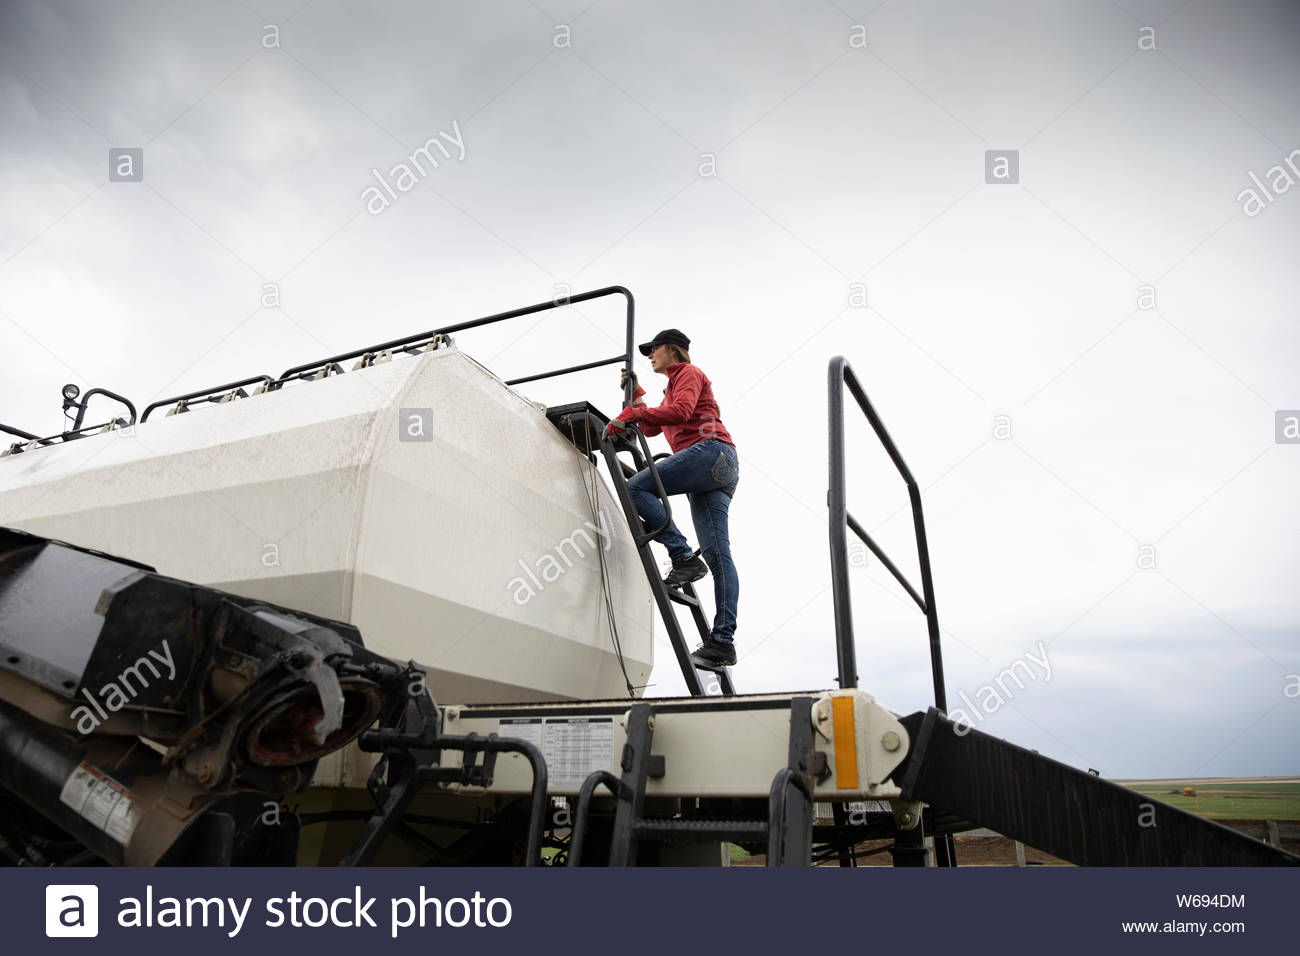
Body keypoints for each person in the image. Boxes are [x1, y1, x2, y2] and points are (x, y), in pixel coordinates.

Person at [601, 329, 740, 668]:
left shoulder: (688, 374)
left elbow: (679, 412)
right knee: (719, 555)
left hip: (711, 453)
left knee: (635, 488)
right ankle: (722, 641)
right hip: (716, 467)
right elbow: (651, 427)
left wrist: (630, 416)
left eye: (654, 349)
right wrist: (634, 396)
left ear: (673, 350)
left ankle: (682, 555)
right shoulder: (671, 387)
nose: (650, 355)